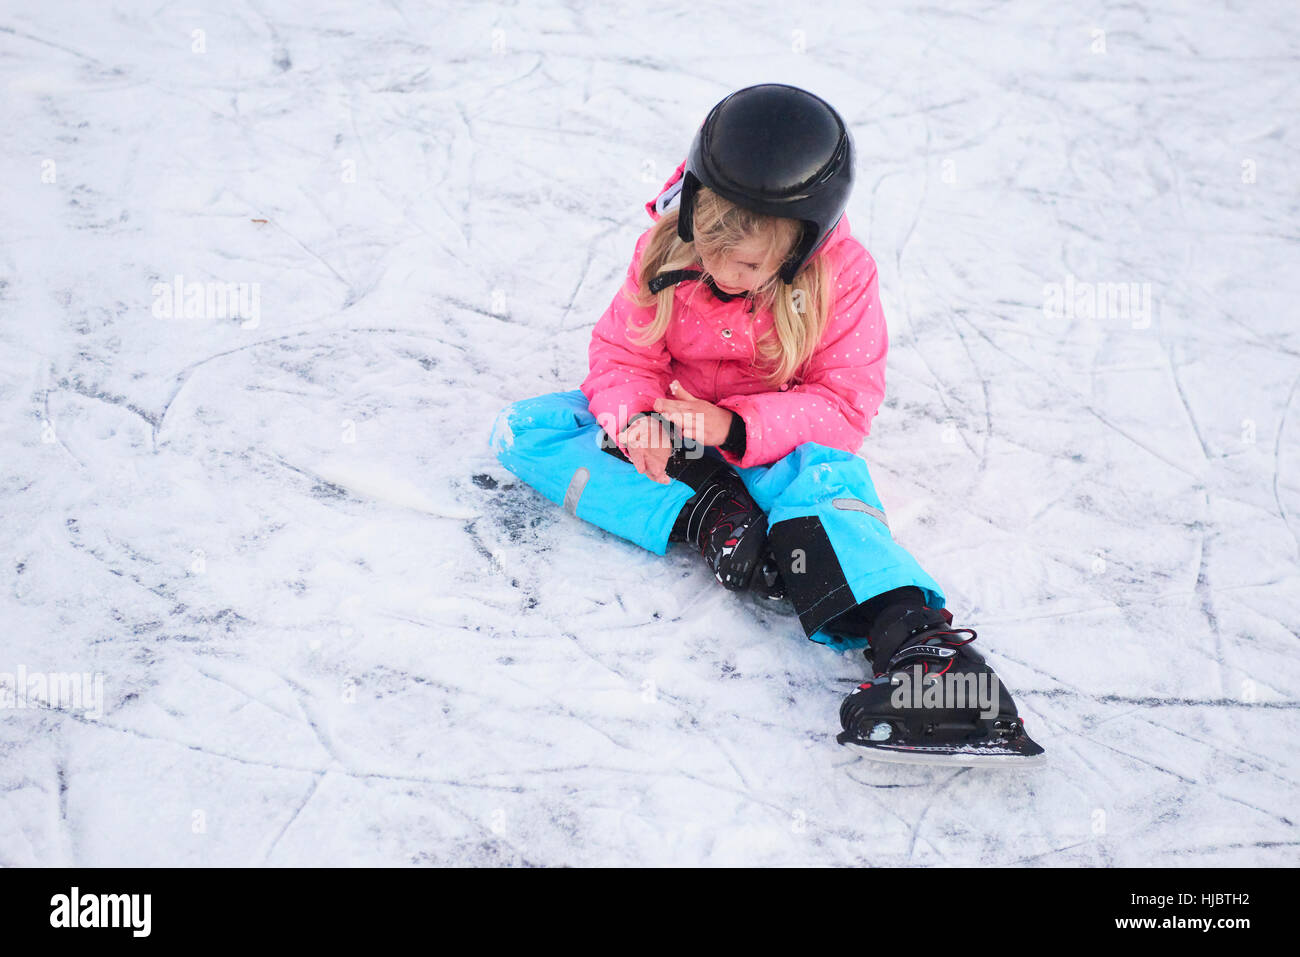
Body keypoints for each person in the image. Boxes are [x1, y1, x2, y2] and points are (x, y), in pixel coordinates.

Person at [489, 83, 1043, 765]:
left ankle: (929, 659)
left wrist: (734, 426)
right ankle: (714, 515)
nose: (720, 270)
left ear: (799, 249)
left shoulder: (843, 280)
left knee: (827, 480)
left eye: (746, 263)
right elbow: (621, 353)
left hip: (772, 441)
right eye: (709, 245)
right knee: (529, 429)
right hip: (676, 435)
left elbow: (845, 405)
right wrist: (633, 418)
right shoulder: (667, 248)